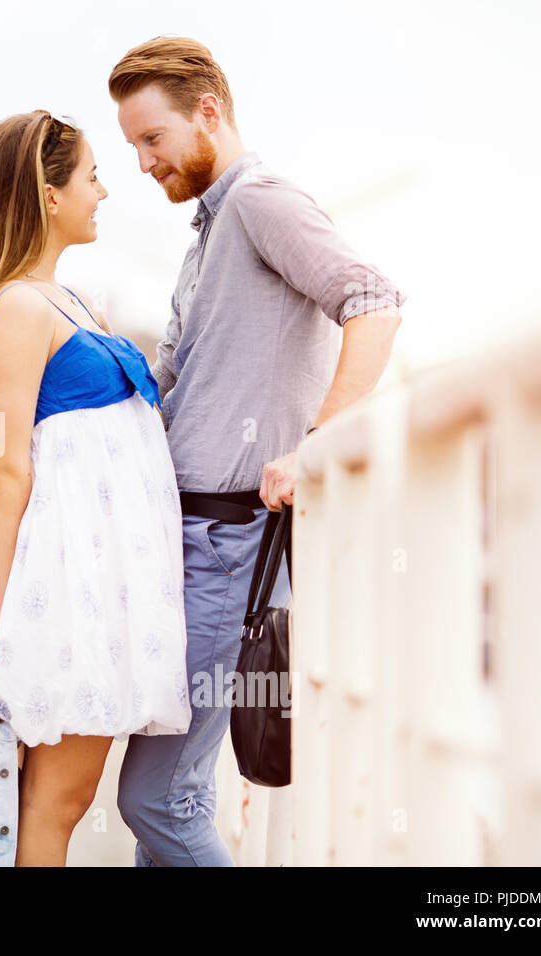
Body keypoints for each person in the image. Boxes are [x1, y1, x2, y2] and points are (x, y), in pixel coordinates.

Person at [108, 36, 406, 866]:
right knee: (182, 797)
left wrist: (316, 444)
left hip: (234, 544)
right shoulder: (206, 235)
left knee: (155, 798)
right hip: (193, 544)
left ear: (208, 111)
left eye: (152, 139)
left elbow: (374, 302)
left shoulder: (262, 201)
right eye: (132, 146)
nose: (141, 162)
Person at [0, 110, 192, 866]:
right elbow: (3, 466)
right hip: (72, 589)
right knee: (55, 801)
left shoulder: (72, 302)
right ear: (48, 194)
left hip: (110, 584)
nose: (105, 191)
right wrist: (8, 611)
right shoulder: (17, 307)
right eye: (91, 176)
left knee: (61, 800)